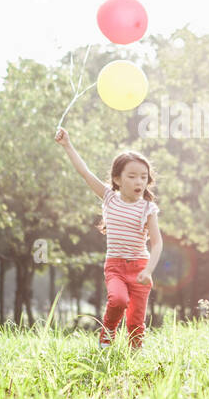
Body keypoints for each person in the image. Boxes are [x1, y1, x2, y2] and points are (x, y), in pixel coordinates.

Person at [55, 128, 162, 349]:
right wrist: (67, 145)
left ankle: (135, 357)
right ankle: (108, 332)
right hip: (115, 267)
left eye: (143, 177)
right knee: (118, 300)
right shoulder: (109, 198)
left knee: (135, 321)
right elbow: (85, 173)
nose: (138, 181)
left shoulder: (148, 208)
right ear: (117, 179)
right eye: (131, 176)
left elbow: (157, 243)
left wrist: (148, 270)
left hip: (141, 267)